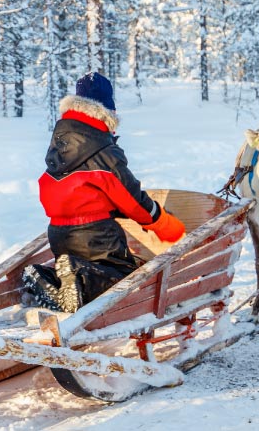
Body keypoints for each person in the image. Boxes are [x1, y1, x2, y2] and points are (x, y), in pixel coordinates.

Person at [26, 72, 186, 312]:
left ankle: (44, 277)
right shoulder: (102, 149)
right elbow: (132, 199)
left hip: (59, 234)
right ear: (107, 110)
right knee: (125, 280)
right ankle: (78, 277)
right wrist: (162, 223)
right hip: (96, 237)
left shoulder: (61, 142)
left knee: (84, 277)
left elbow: (73, 192)